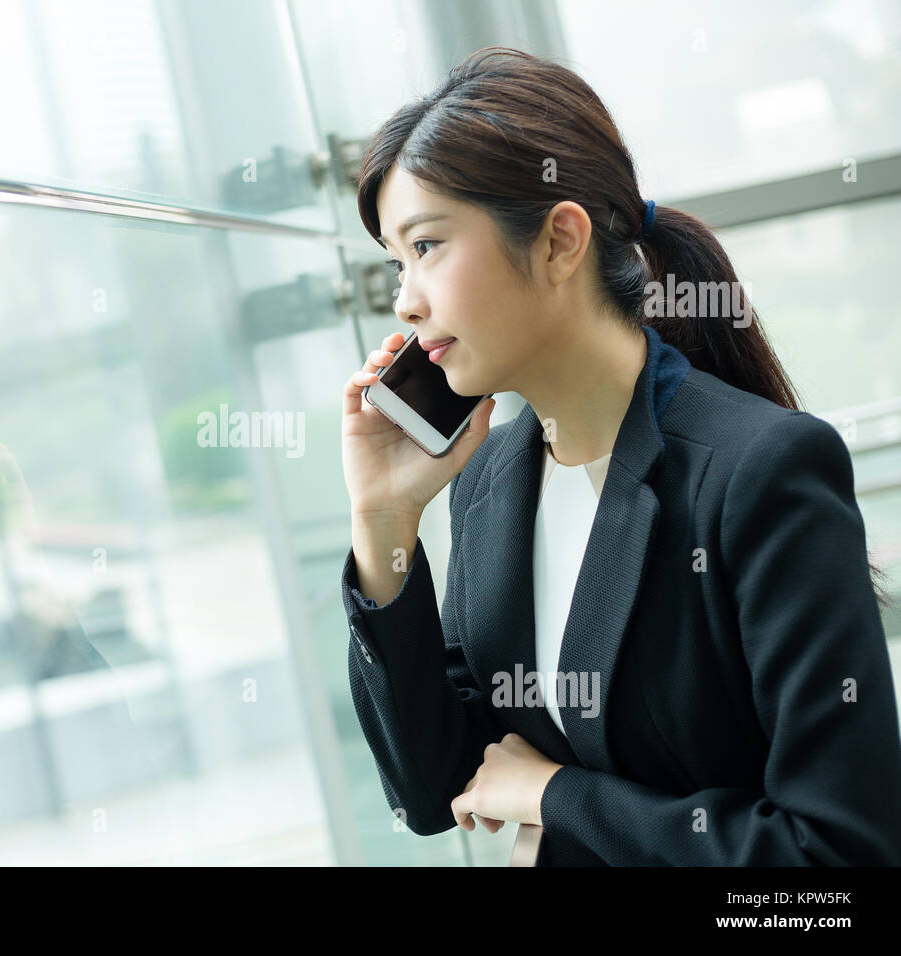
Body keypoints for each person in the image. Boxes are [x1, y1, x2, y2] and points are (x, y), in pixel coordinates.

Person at [340, 47, 901, 866]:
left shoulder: (761, 474)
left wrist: (556, 797)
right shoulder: (488, 484)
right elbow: (437, 791)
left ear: (561, 241)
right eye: (396, 262)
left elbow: (836, 863)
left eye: (426, 247)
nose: (404, 299)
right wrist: (383, 519)